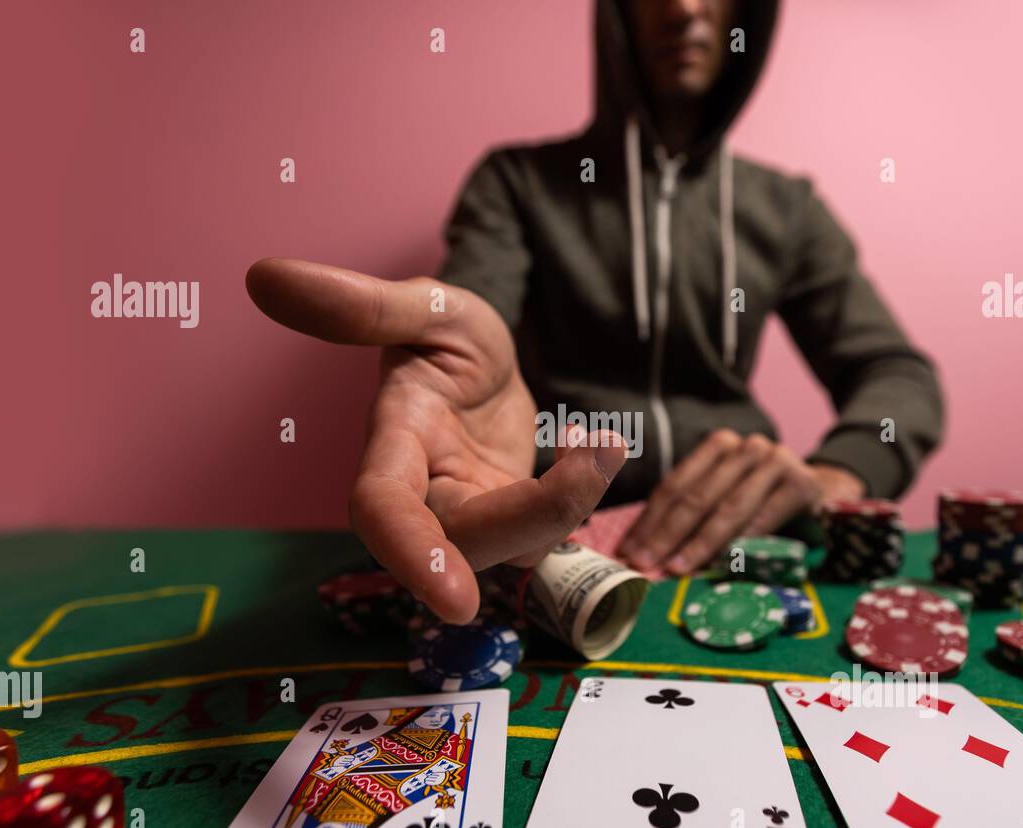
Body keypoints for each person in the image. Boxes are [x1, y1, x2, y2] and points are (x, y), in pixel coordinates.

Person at [245, 0, 944, 625]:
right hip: (551, 538)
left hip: (742, 553)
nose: (685, 9)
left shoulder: (787, 208)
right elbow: (471, 327)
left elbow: (898, 376)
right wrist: (449, 367)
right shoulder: (516, 184)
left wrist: (836, 475)